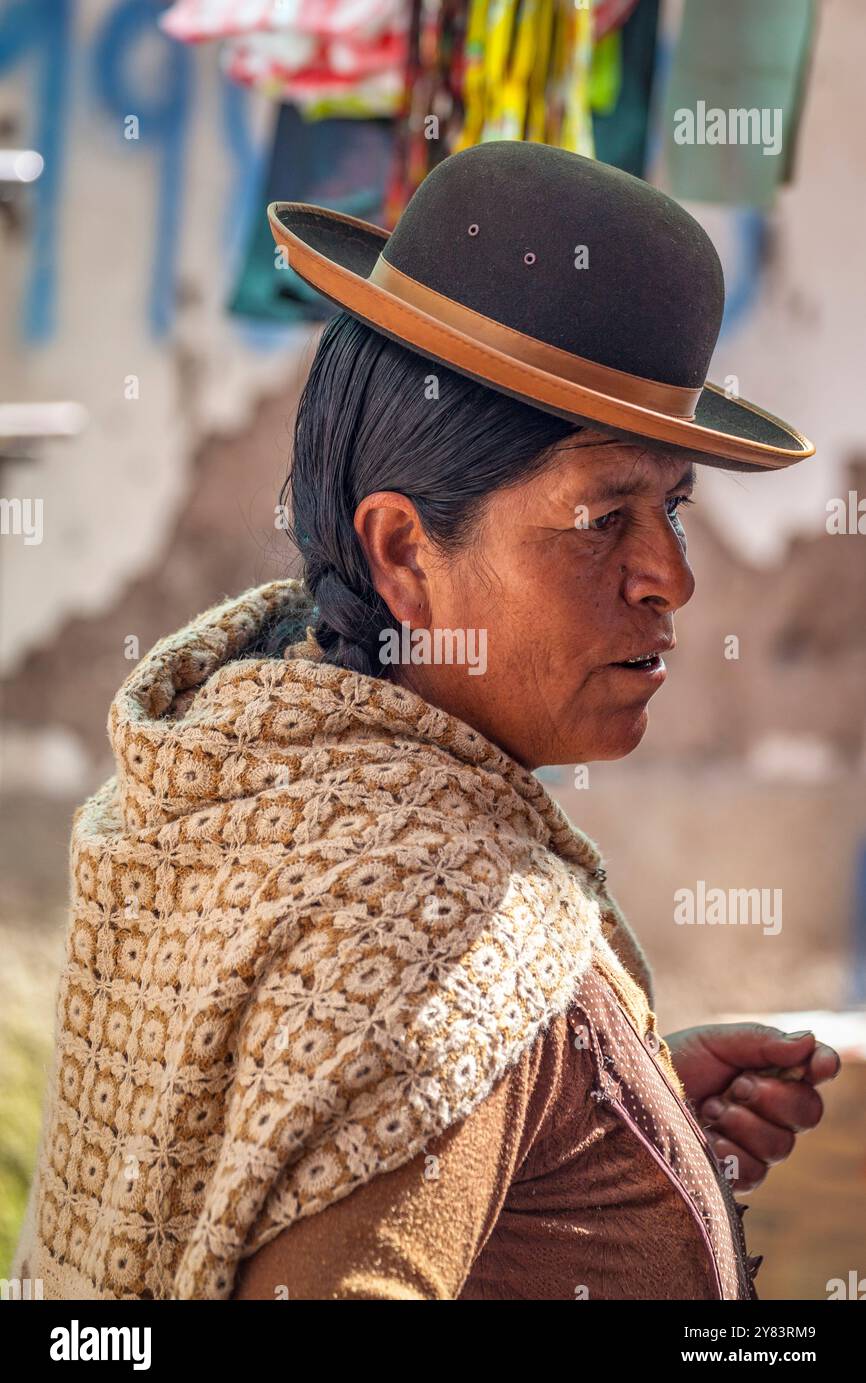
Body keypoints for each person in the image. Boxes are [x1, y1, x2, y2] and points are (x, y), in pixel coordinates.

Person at [12, 141, 839, 1301]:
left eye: (672, 507)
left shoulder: (225, 782)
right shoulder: (436, 938)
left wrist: (611, 1119)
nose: (669, 577)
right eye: (604, 515)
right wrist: (499, 1076)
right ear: (405, 550)